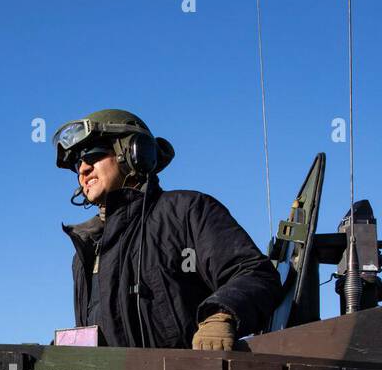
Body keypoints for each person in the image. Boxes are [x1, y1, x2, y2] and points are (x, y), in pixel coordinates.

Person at [55, 109, 282, 349]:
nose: (83, 169)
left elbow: (255, 273)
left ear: (133, 152)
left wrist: (221, 315)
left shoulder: (186, 212)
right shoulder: (87, 251)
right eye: (77, 162)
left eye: (93, 154)